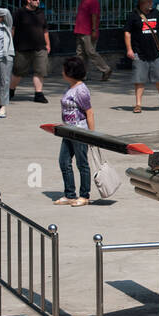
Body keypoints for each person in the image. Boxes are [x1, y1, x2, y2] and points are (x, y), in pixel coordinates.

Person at [55, 56, 95, 207]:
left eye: (64, 69)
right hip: (68, 131)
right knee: (64, 162)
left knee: (82, 164)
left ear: (70, 72)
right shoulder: (71, 87)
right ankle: (70, 194)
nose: (62, 71)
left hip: (80, 132)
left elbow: (89, 112)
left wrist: (92, 135)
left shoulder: (81, 90)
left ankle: (84, 195)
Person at [124, 0, 159, 113]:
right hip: (139, 52)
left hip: (155, 52)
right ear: (142, 3)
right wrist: (129, 49)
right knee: (139, 79)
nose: (151, 4)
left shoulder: (156, 13)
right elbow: (127, 32)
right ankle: (138, 104)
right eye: (149, 1)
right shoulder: (133, 15)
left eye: (151, 1)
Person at [9, 0, 51, 103]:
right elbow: (13, 29)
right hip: (22, 47)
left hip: (40, 47)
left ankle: (38, 94)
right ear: (28, 0)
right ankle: (10, 91)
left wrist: (48, 44)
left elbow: (45, 30)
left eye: (39, 0)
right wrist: (9, 44)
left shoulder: (41, 13)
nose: (38, 2)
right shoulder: (19, 13)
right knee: (18, 72)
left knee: (40, 71)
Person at [73, 0, 113, 82]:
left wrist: (94, 30)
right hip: (80, 30)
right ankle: (82, 74)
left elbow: (94, 15)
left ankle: (106, 69)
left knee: (90, 52)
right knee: (80, 53)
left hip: (88, 31)